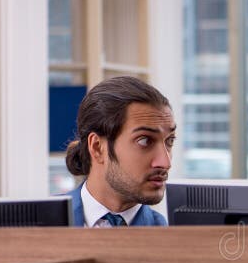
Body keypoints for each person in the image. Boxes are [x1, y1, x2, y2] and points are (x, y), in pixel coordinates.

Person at [64, 76, 175, 227]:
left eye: (170, 141)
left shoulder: (174, 241)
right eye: (144, 140)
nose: (165, 163)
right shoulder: (39, 226)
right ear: (97, 147)